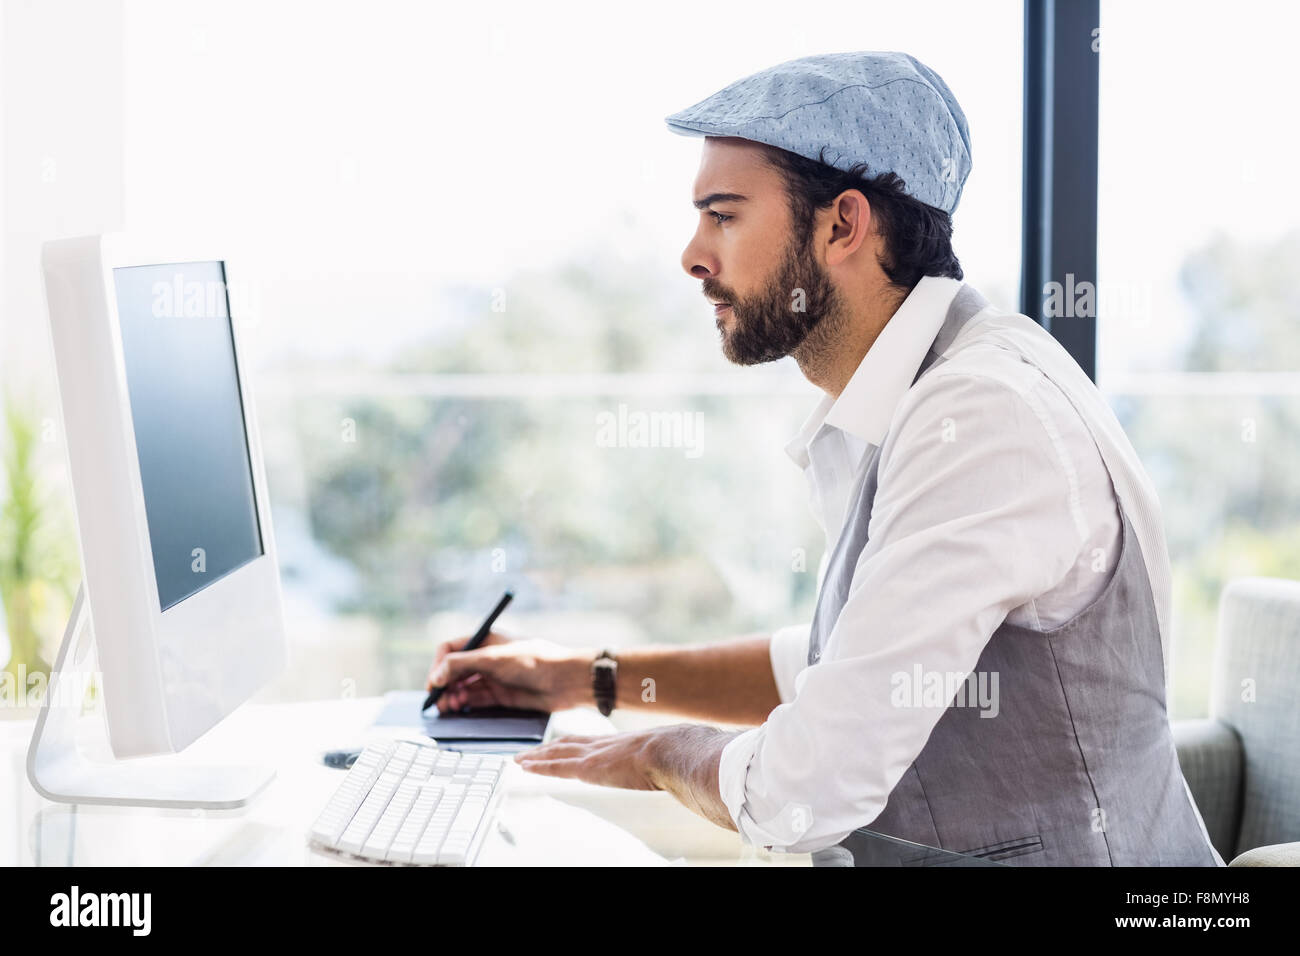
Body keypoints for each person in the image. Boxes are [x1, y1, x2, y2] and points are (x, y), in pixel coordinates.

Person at [424, 51, 1222, 866]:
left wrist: (653, 754)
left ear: (843, 224)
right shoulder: (919, 388)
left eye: (724, 215)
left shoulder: (982, 414)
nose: (693, 256)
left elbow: (803, 789)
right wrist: (588, 678)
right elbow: (840, 669)